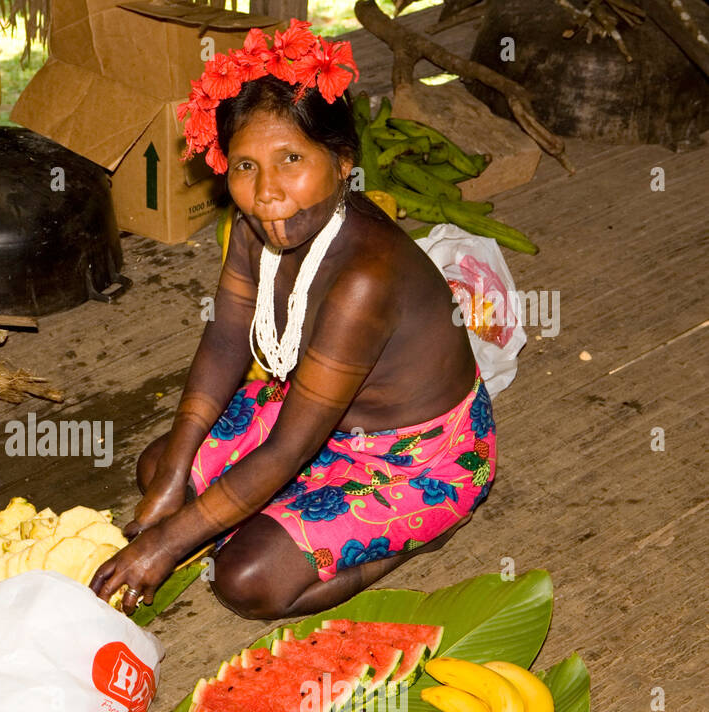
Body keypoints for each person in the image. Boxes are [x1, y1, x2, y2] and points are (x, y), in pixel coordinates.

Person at [91, 22, 496, 620]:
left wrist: (168, 543)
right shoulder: (259, 225)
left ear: (341, 162)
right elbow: (226, 341)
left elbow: (287, 450)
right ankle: (251, 509)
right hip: (311, 415)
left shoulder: (365, 279)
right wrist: (175, 478)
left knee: (245, 580)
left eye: (291, 160)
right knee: (155, 467)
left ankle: (421, 533)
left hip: (416, 457)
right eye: (245, 166)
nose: (267, 191)